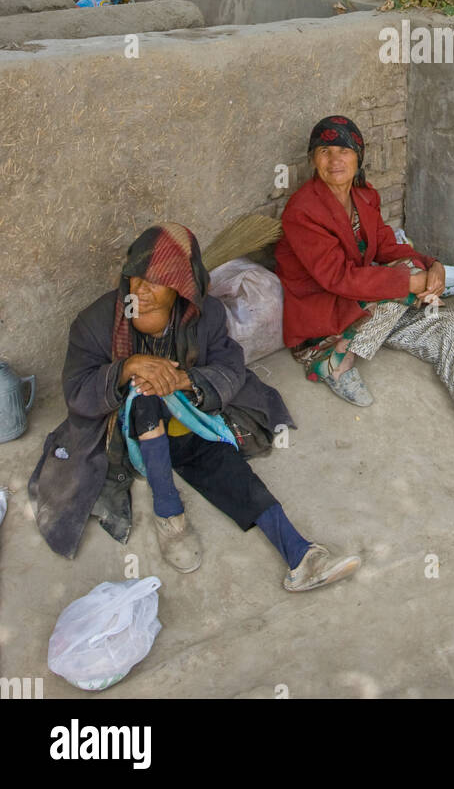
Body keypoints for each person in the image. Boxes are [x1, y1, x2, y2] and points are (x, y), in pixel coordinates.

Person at [29, 223, 360, 593]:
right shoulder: (95, 322)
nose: (140, 290)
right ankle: (169, 513)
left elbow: (230, 368)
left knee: (224, 465)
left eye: (155, 283)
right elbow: (77, 392)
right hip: (125, 432)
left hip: (188, 424)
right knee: (146, 394)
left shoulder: (207, 316)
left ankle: (300, 554)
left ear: (182, 288)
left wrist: (185, 380)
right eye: (135, 278)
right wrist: (128, 368)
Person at [274, 115, 454, 464]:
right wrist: (411, 280)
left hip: (365, 312)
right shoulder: (303, 210)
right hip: (324, 320)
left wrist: (430, 264)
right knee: (402, 281)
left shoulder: (363, 196)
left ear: (358, 156)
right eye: (325, 151)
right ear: (313, 159)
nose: (334, 160)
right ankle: (335, 361)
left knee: (448, 322)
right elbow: (337, 278)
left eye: (344, 151)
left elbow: (388, 247)